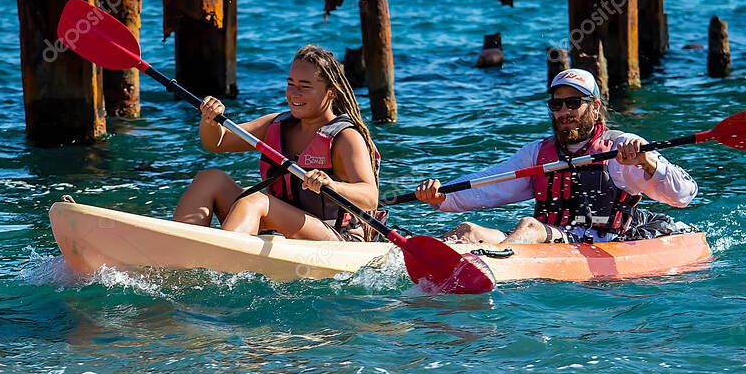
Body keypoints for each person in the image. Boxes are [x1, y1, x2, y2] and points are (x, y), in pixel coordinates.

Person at [414, 69, 699, 244]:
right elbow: (489, 184)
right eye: (557, 104)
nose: (564, 112)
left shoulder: (621, 147)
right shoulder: (538, 153)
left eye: (574, 103)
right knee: (466, 231)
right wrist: (442, 196)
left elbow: (683, 195)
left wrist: (647, 162)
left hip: (603, 243)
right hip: (551, 239)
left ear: (595, 107)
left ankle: (497, 266)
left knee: (529, 227)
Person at [172, 45, 380, 242]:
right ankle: (179, 250)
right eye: (291, 84)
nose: (294, 93)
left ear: (331, 91)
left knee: (254, 201)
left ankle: (220, 260)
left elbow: (370, 197)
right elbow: (217, 142)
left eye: (304, 86)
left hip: (335, 237)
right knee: (210, 179)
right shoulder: (276, 125)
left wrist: (332, 185)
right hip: (283, 226)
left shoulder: (345, 138)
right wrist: (210, 120)